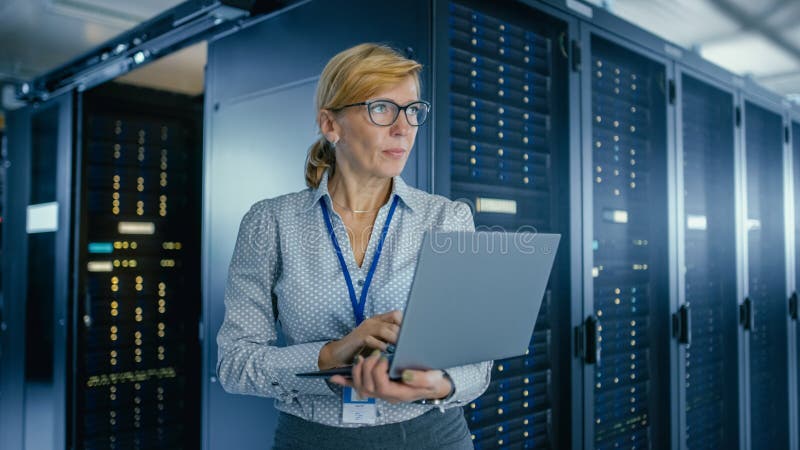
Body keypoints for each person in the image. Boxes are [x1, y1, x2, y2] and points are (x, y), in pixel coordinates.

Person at [216, 43, 492, 449]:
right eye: (382, 108)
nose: (403, 128)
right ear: (331, 125)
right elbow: (234, 364)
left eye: (413, 110)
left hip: (432, 436)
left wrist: (438, 384)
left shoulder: (447, 219)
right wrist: (332, 354)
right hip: (313, 439)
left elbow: (477, 362)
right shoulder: (270, 222)